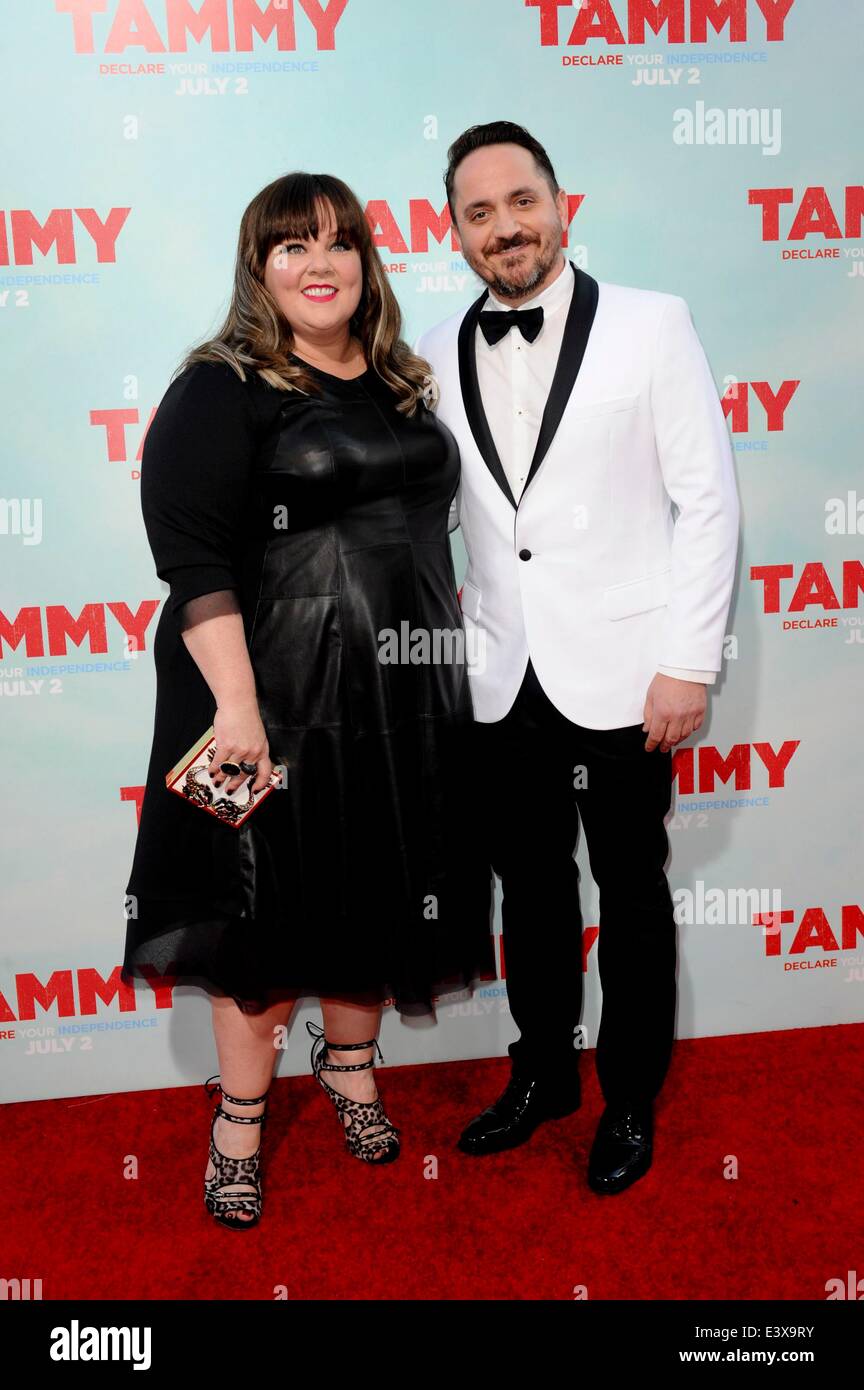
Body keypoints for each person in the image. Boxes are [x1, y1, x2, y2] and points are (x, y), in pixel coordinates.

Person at [122, 171, 495, 1230]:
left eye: (339, 243)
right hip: (269, 689)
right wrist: (238, 711)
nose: (319, 263)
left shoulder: (403, 381)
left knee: (386, 879)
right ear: (258, 268)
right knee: (264, 911)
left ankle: (351, 1067)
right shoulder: (221, 384)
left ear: (367, 263)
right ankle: (241, 1118)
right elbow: (191, 560)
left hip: (405, 690)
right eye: (292, 246)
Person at [416, 121, 740, 1195]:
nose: (504, 225)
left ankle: (630, 1098)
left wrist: (689, 663)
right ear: (454, 230)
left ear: (563, 205)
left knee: (632, 892)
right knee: (533, 895)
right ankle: (545, 1072)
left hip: (625, 674)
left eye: (522, 200)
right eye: (478, 210)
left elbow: (708, 502)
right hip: (503, 674)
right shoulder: (433, 348)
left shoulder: (653, 325)